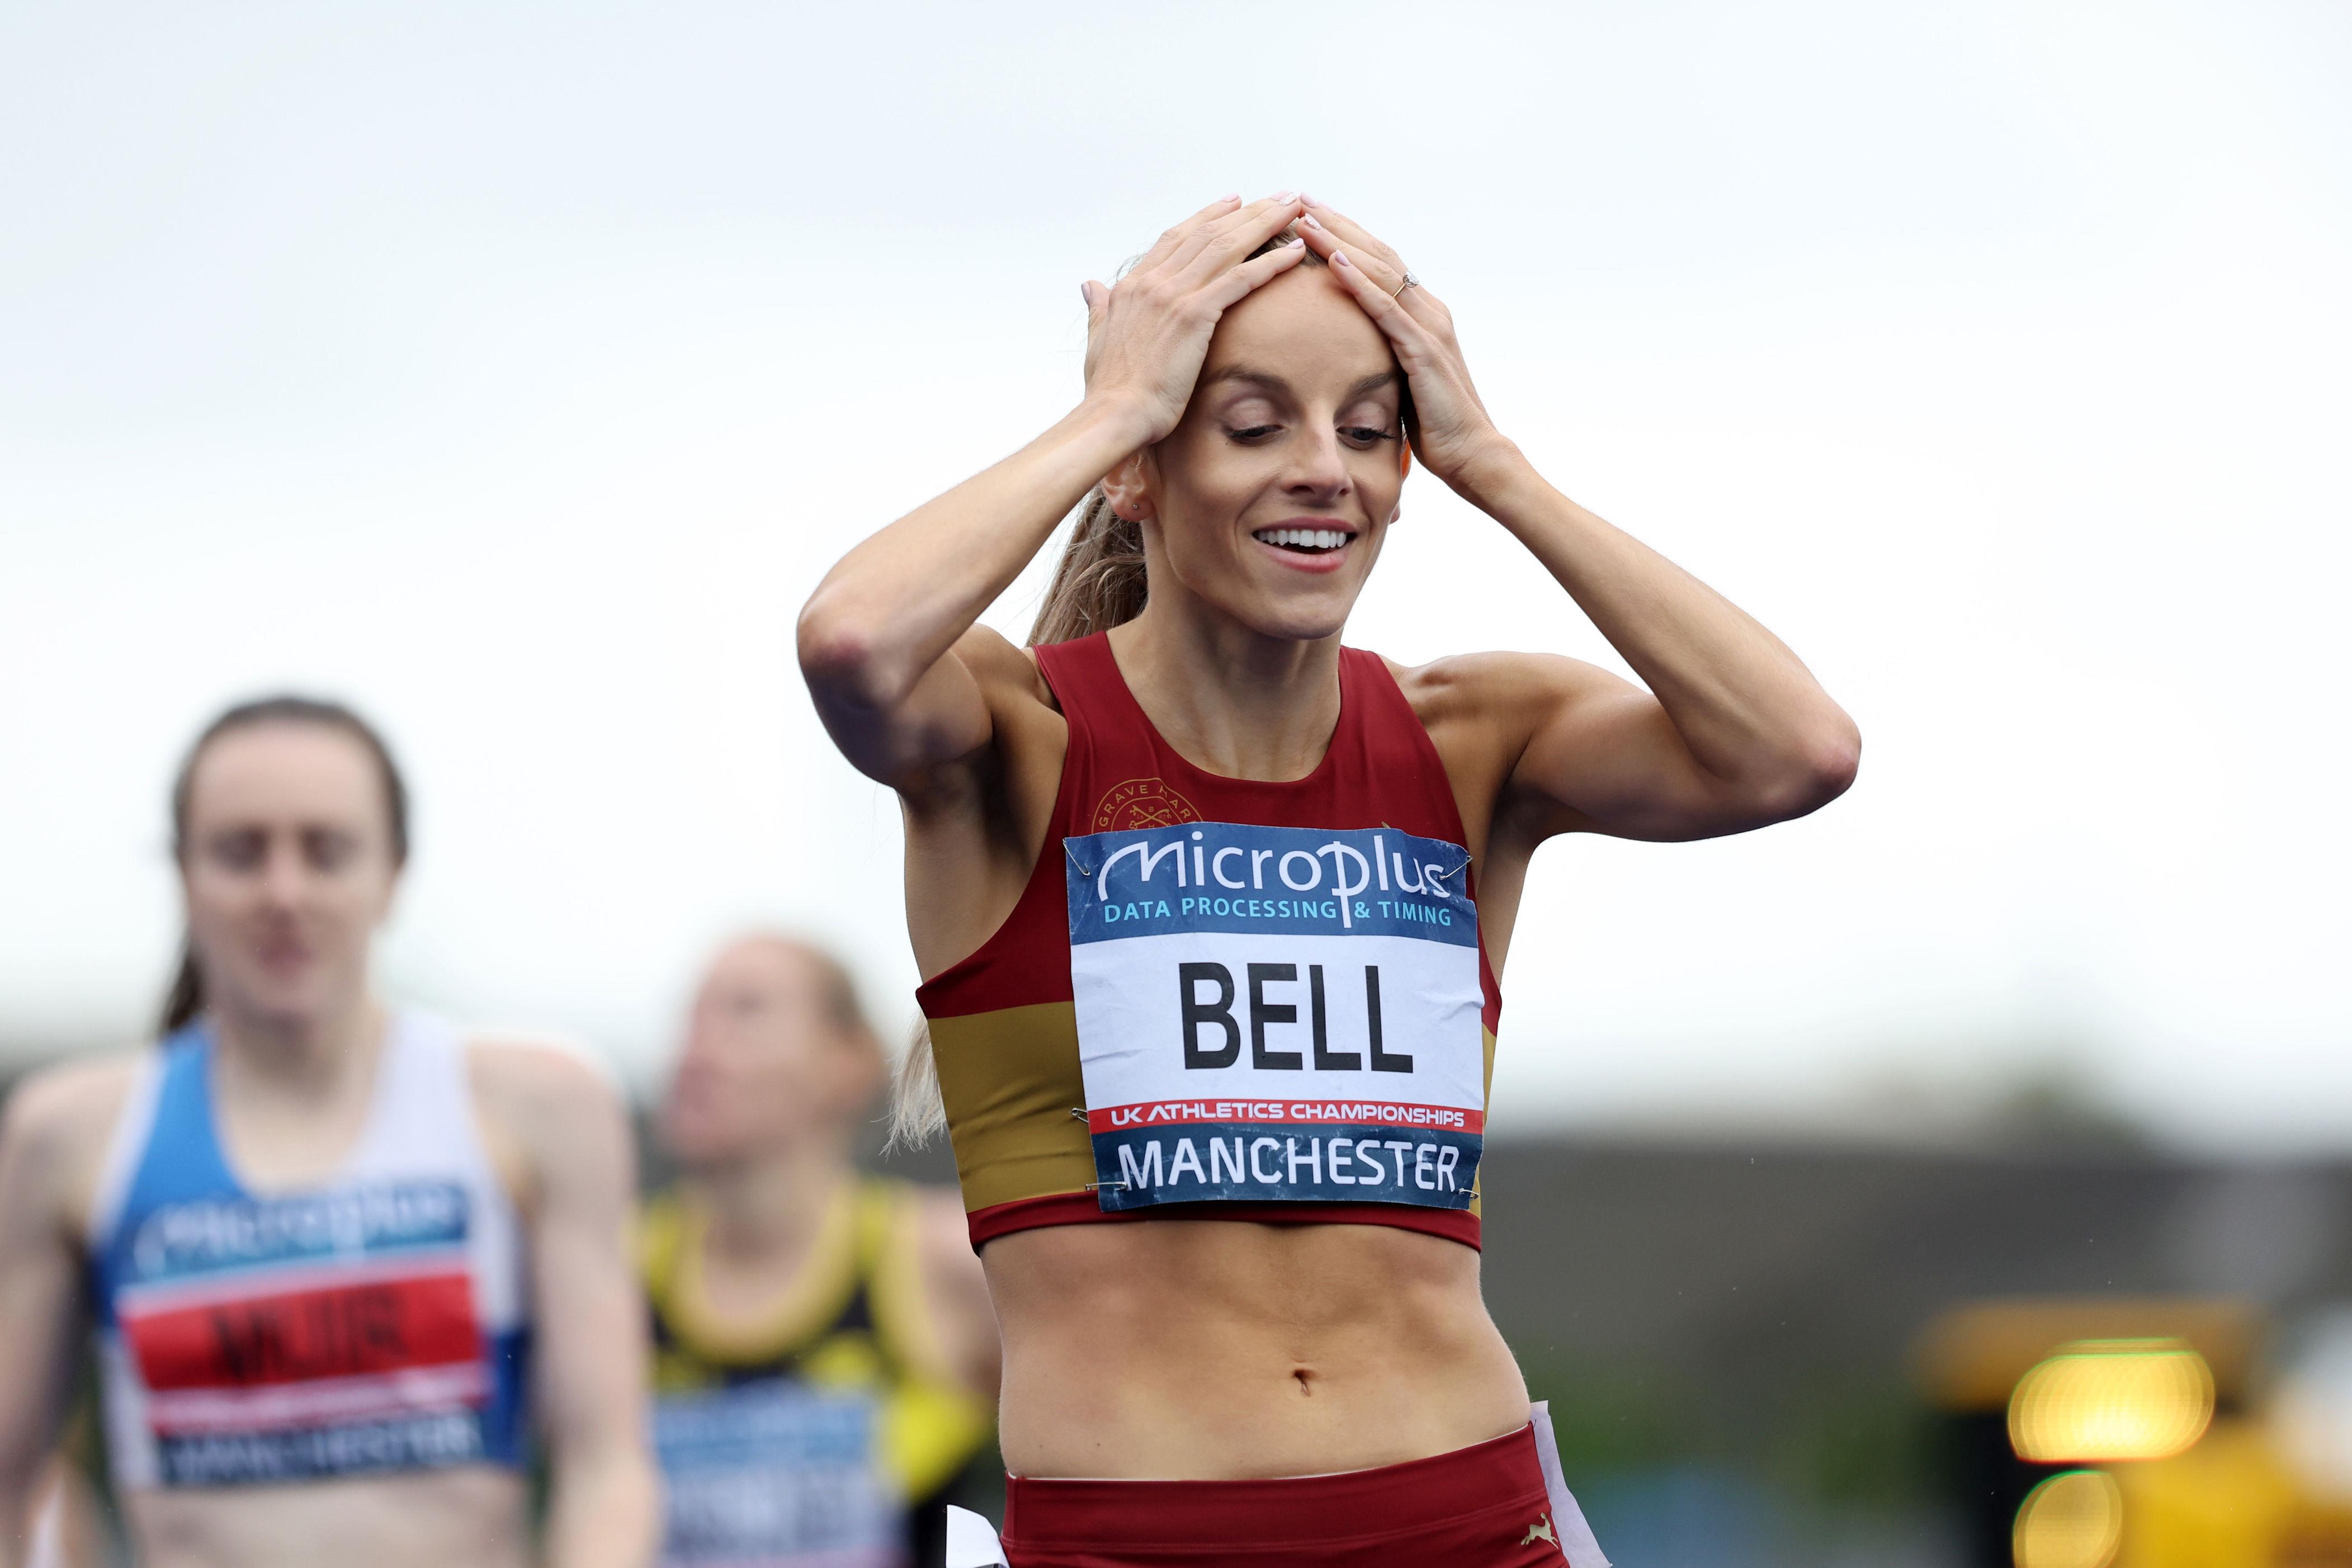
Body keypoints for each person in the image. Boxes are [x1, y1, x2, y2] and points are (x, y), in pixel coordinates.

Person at [795, 190, 1860, 1566]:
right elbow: (853, 642)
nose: (1323, 470)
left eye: (1367, 428)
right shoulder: (1015, 738)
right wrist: (1106, 409)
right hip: (1138, 1533)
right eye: (1248, 425)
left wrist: (1493, 461)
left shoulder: (1473, 737)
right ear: (1142, 465)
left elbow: (1797, 748)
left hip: (1468, 1522)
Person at [0, 696, 659, 1568]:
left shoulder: (539, 1106)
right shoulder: (74, 1136)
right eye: (240, 853)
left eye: (327, 850)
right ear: (184, 876)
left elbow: (606, 1469)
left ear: (392, 873)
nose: (284, 892)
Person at [641, 934, 999, 1568]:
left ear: (850, 1060)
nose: (696, 1050)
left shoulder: (946, 1264)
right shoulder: (616, 1275)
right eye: (691, 1018)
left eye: (744, 1011)